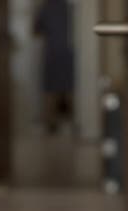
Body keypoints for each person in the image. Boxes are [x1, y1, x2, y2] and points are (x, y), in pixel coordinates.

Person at [34, 0, 75, 133]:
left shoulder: (45, 8)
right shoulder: (68, 8)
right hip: (67, 52)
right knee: (67, 87)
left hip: (52, 53)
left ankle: (52, 124)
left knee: (51, 90)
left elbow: (36, 30)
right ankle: (70, 121)